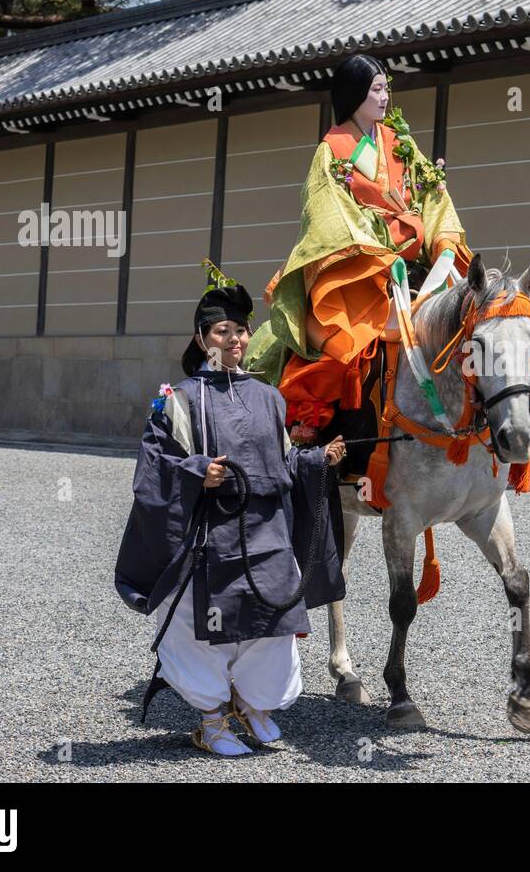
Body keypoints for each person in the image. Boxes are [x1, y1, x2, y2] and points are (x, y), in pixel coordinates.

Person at [114, 277, 348, 756]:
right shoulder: (175, 398)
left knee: (270, 625)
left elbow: (283, 463)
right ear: (202, 338)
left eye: (241, 331)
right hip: (208, 539)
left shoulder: (270, 398)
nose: (235, 340)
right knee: (204, 630)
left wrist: (316, 460)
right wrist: (199, 471)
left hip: (268, 539)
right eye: (223, 331)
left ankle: (253, 706)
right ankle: (212, 718)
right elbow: (153, 466)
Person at [244, 52, 474, 443]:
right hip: (359, 268)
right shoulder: (331, 151)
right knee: (343, 342)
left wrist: (443, 240)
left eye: (387, 88)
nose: (385, 98)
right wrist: (379, 244)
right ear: (354, 94)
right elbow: (328, 213)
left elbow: (432, 194)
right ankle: (315, 428)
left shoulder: (398, 142)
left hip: (413, 266)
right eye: (376, 89)